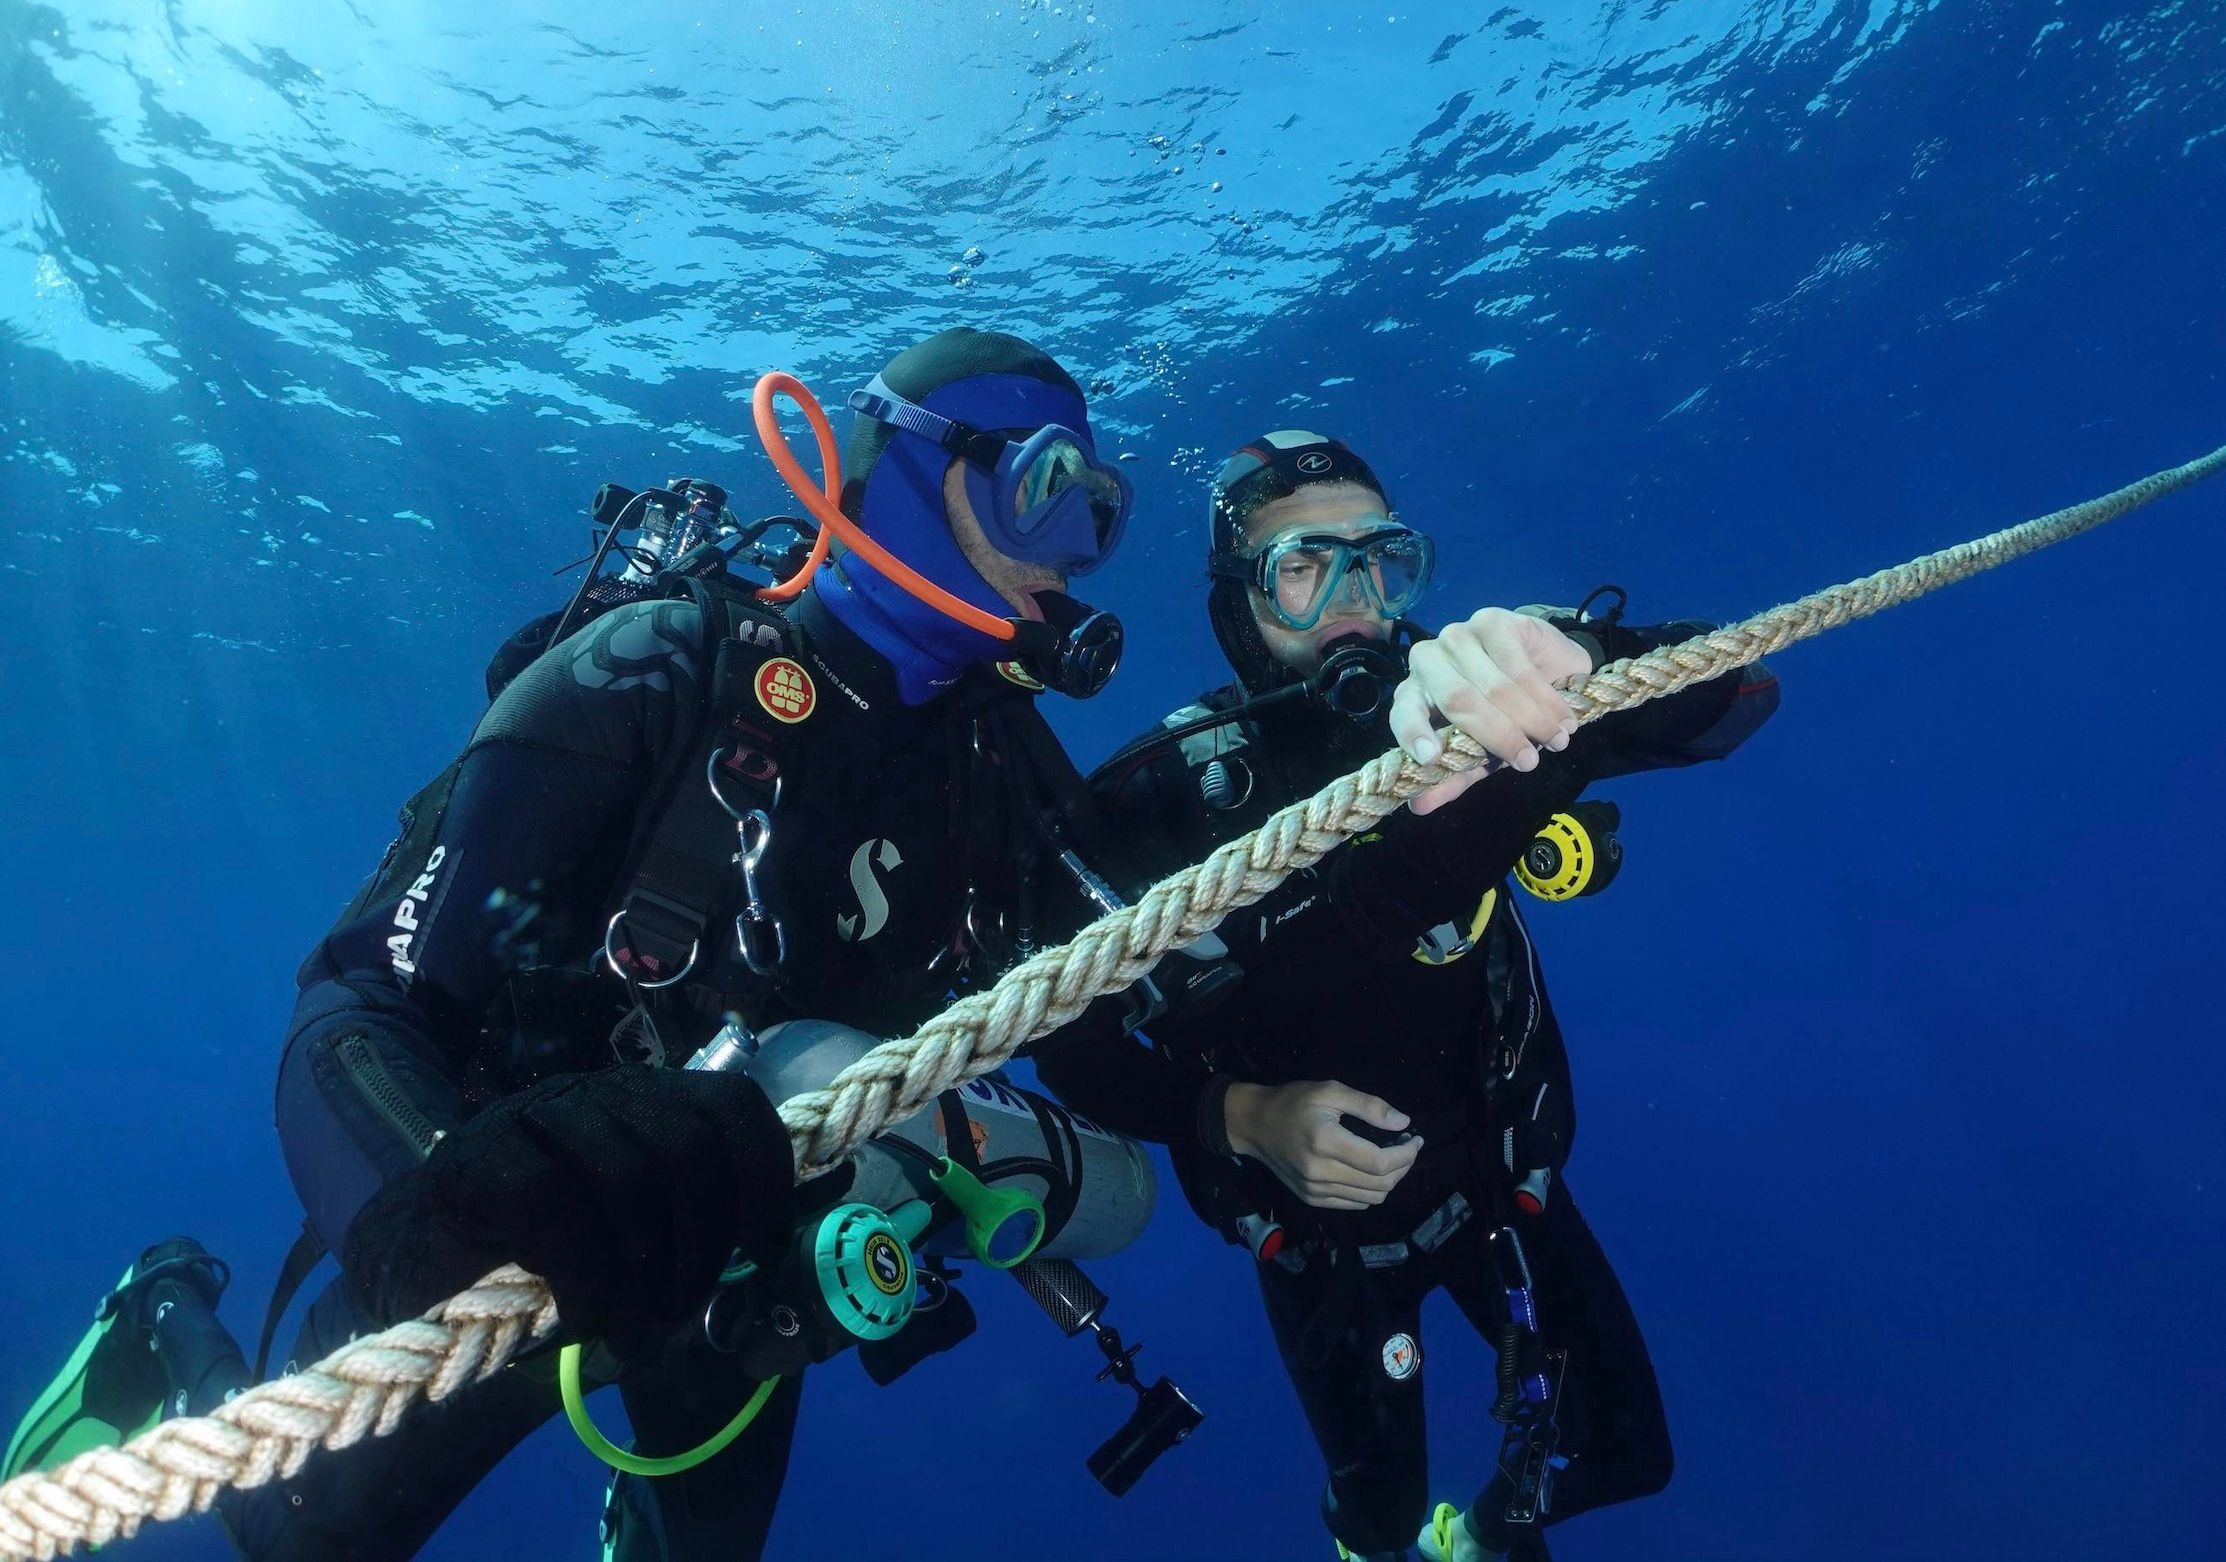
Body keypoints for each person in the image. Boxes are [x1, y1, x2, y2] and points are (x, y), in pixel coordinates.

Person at [6, 327, 1147, 1562]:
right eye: (1043, 492)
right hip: (520, 1204)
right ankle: (163, 1311)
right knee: (302, 1537)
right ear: (924, 477)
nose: (1072, 557)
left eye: (1098, 512)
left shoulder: (1009, 782)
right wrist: (434, 1202)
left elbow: (1145, 998)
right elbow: (356, 997)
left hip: (747, 1230)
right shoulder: (658, 669)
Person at [1033, 430, 1782, 1561]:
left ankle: (1471, 1541)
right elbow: (1069, 1050)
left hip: (1502, 1185)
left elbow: (1738, 694)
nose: (1355, 602)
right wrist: (1243, 1118)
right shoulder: (1159, 797)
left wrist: (1569, 647)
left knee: (1630, 1454)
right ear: (1239, 604)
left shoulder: (1487, 708)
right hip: (1324, 1248)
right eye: (1302, 567)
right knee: (1377, 1515)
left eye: (1381, 560)